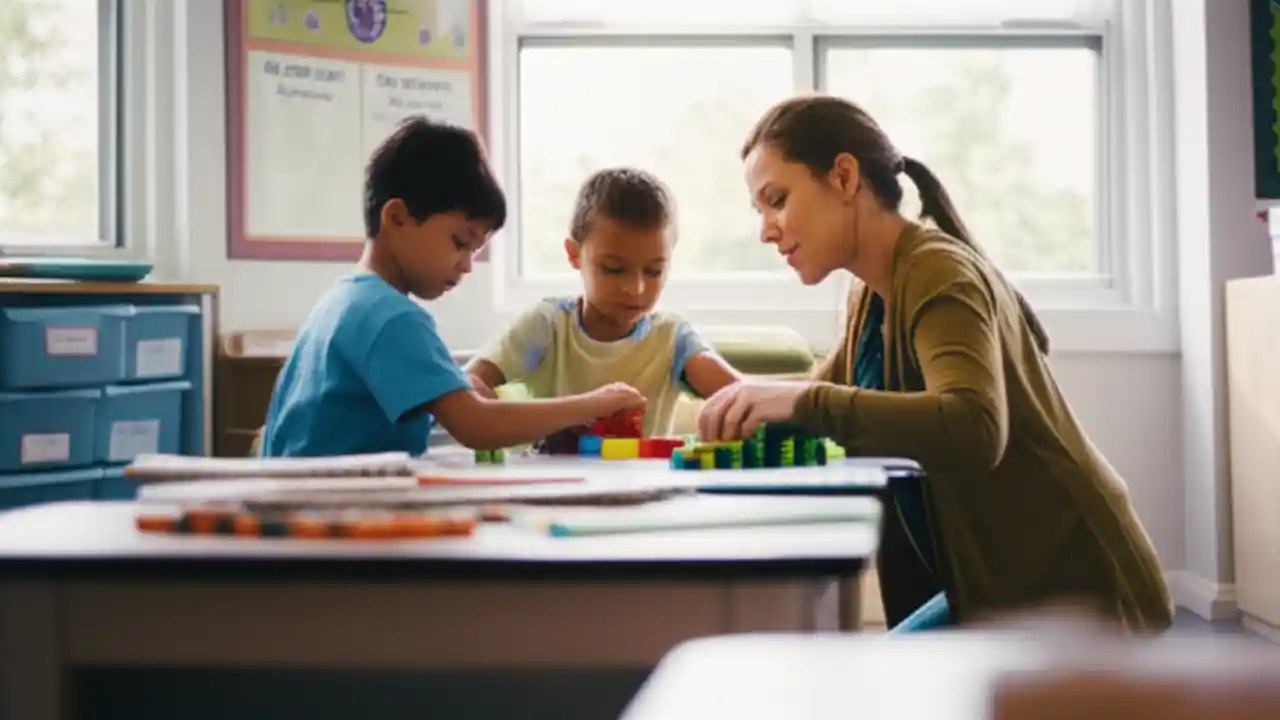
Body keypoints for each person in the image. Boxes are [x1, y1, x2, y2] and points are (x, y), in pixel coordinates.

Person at [697, 95, 1173, 632]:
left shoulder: (936, 271)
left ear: (845, 177)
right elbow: (815, 405)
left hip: (1074, 595)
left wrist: (802, 401)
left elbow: (974, 425)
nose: (766, 229)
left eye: (777, 199)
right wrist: (734, 404)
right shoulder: (871, 297)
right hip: (998, 588)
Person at [262, 117, 645, 457]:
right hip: (331, 513)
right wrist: (594, 403)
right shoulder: (392, 317)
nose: (465, 265)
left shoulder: (343, 300)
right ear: (396, 218)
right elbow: (476, 425)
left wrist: (462, 384)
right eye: (461, 243)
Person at [467, 167, 739, 436]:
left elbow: (740, 396)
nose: (636, 289)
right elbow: (466, 385)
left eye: (654, 271)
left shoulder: (673, 338)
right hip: (555, 479)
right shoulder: (547, 325)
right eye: (613, 269)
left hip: (645, 482)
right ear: (574, 255)